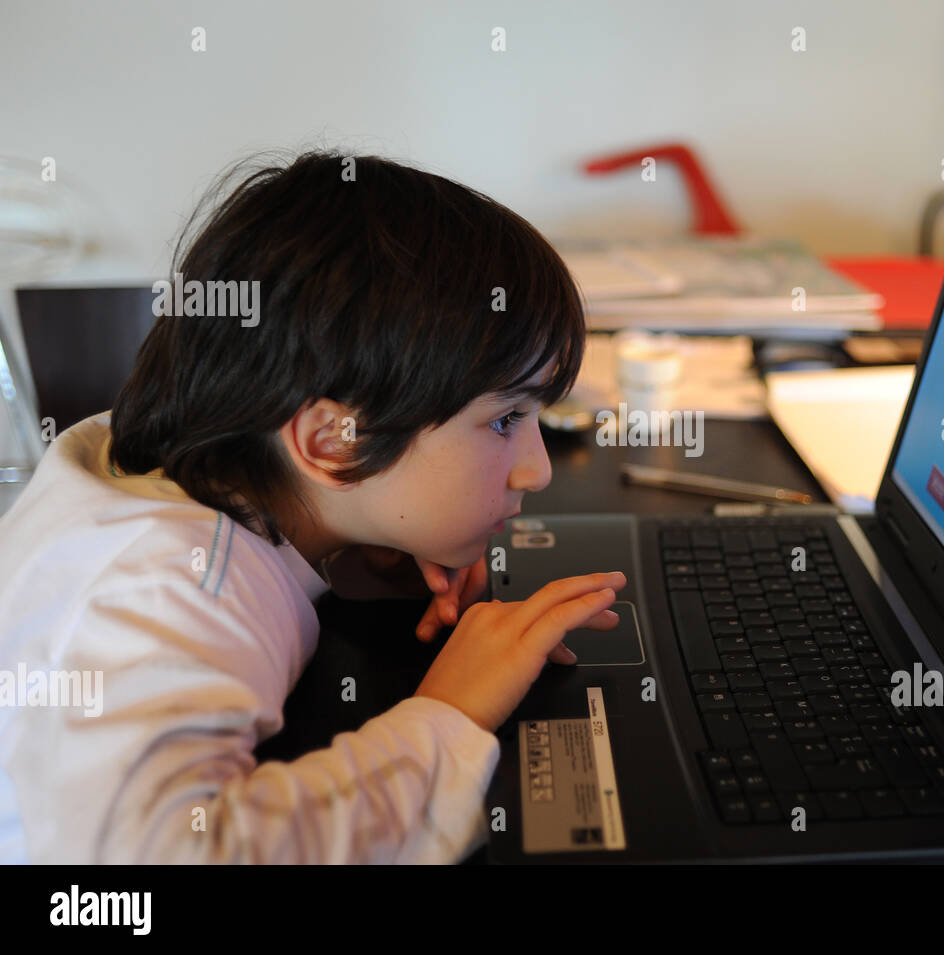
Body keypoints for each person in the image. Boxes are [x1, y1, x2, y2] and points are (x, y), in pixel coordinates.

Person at [0, 151, 626, 863]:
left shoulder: (172, 470)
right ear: (333, 442)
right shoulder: (159, 590)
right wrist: (450, 714)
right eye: (506, 419)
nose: (538, 469)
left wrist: (349, 552)